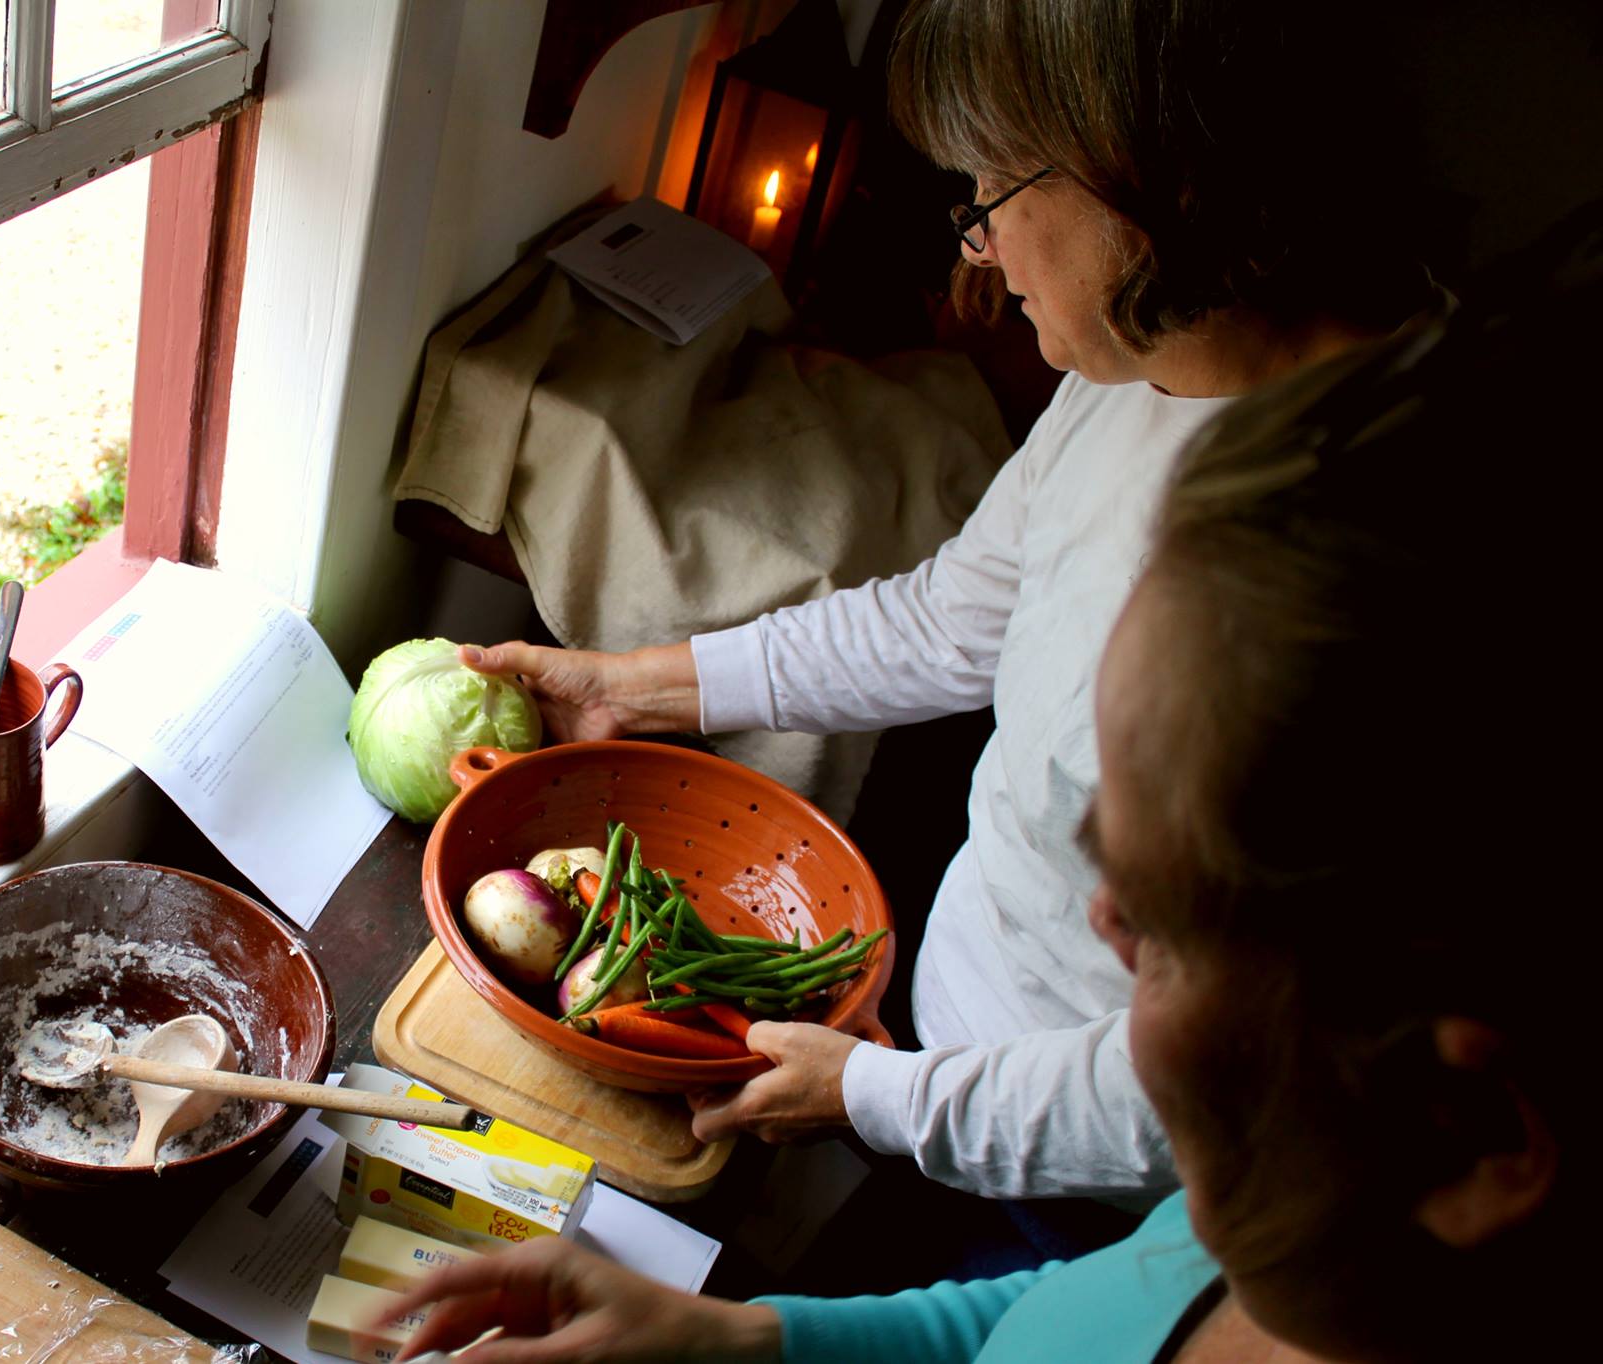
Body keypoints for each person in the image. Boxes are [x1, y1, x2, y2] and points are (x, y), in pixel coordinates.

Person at [388, 270, 1592, 1364]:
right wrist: (736, 1340)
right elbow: (1049, 1322)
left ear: (1467, 1122)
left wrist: (884, 1101)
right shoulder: (1243, 1245)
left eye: (1166, 935)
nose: (1100, 927)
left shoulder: (1260, 1215)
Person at [461, 0, 1435, 1208]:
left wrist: (880, 1100)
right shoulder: (1152, 358)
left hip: (1114, 1185)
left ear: (1133, 178)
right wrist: (630, 685)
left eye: (986, 187)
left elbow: (1231, 1076)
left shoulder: (1371, 571)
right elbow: (950, 619)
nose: (974, 246)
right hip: (952, 1038)